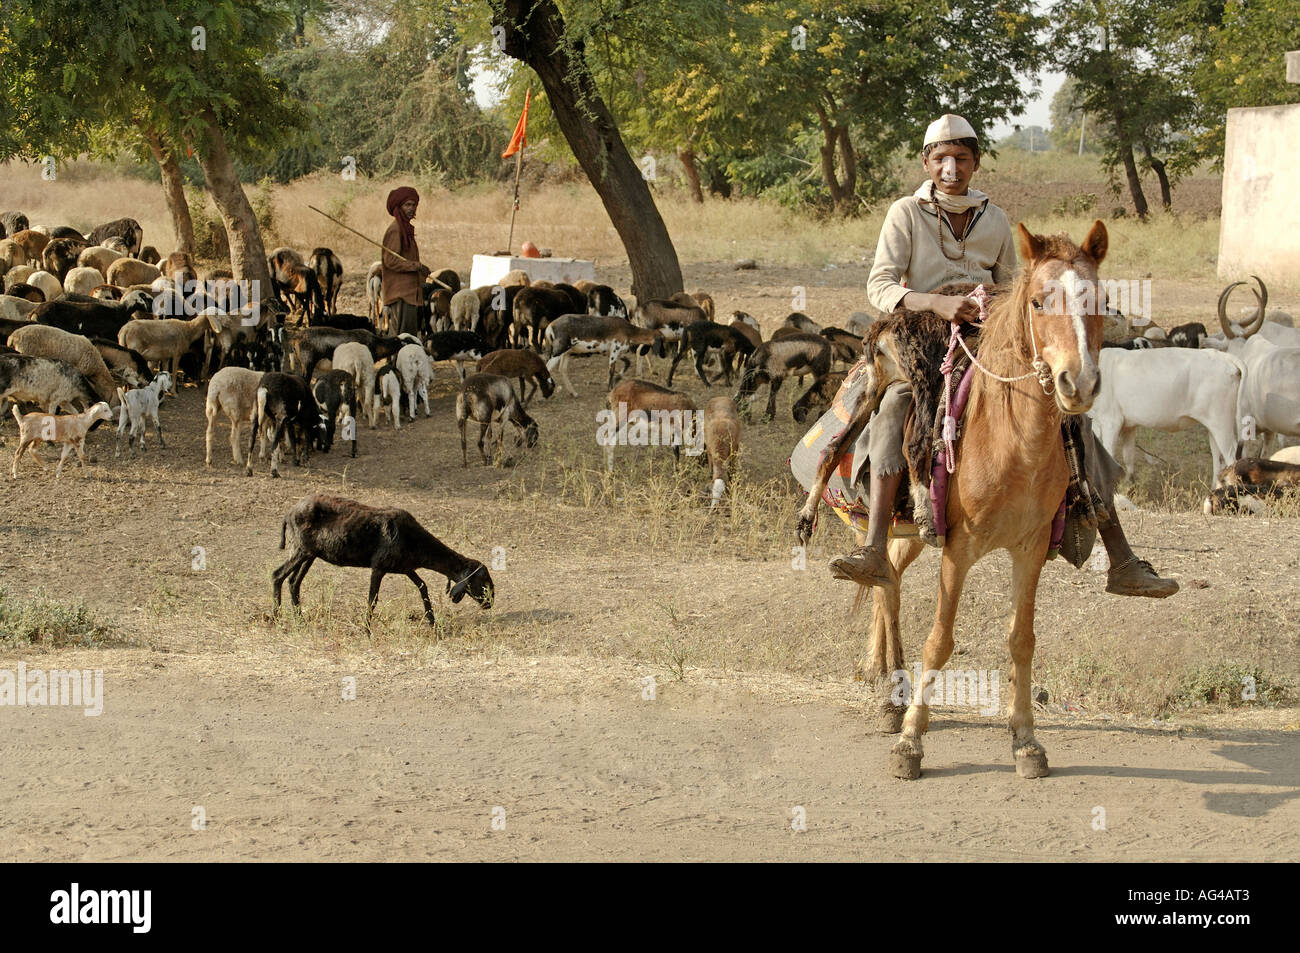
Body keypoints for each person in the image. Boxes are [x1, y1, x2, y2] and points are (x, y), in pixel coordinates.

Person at [825, 114, 1177, 599]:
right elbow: (880, 286)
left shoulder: (993, 217)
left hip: (988, 336)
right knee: (894, 408)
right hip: (921, 335)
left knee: (1066, 414)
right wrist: (937, 302)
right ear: (927, 162)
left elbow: (1015, 285)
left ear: (975, 163)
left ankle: (1120, 556)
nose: (951, 167)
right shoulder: (904, 213)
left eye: (962, 158)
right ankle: (874, 547)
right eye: (941, 158)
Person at [381, 186, 430, 338]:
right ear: (398, 207)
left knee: (407, 336)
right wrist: (416, 266)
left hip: (410, 293)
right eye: (407, 205)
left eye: (414, 205)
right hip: (400, 293)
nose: (411, 208)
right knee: (401, 338)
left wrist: (421, 269)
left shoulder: (406, 228)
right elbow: (391, 261)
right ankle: (396, 362)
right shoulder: (396, 229)